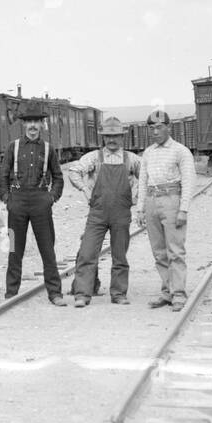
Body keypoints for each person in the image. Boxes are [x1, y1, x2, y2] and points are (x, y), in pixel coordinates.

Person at [67, 117, 140, 306]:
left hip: (121, 213)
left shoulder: (131, 159)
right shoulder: (93, 158)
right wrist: (84, 189)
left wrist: (137, 196)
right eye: (108, 136)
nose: (112, 140)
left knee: (120, 256)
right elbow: (74, 171)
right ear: (103, 137)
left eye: (115, 136)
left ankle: (119, 293)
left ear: (122, 137)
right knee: (87, 252)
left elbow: (147, 177)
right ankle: (83, 294)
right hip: (97, 213)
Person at [0, 100, 66, 306]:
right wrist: (7, 199)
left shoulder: (49, 149)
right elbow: (2, 175)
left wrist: (51, 198)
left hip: (40, 201)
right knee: (13, 249)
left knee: (47, 249)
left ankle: (55, 293)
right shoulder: (13, 147)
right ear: (23, 124)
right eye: (29, 122)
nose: (33, 126)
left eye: (37, 121)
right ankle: (11, 293)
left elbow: (58, 177)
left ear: (42, 124)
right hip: (17, 202)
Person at [136, 110, 197, 311]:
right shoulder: (148, 153)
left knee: (175, 251)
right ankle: (167, 291)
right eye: (152, 128)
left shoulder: (181, 151)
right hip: (152, 201)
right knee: (159, 252)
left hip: (172, 200)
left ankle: (178, 293)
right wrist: (140, 209)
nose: (155, 132)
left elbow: (189, 181)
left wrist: (184, 209)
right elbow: (142, 182)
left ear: (168, 128)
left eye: (159, 127)